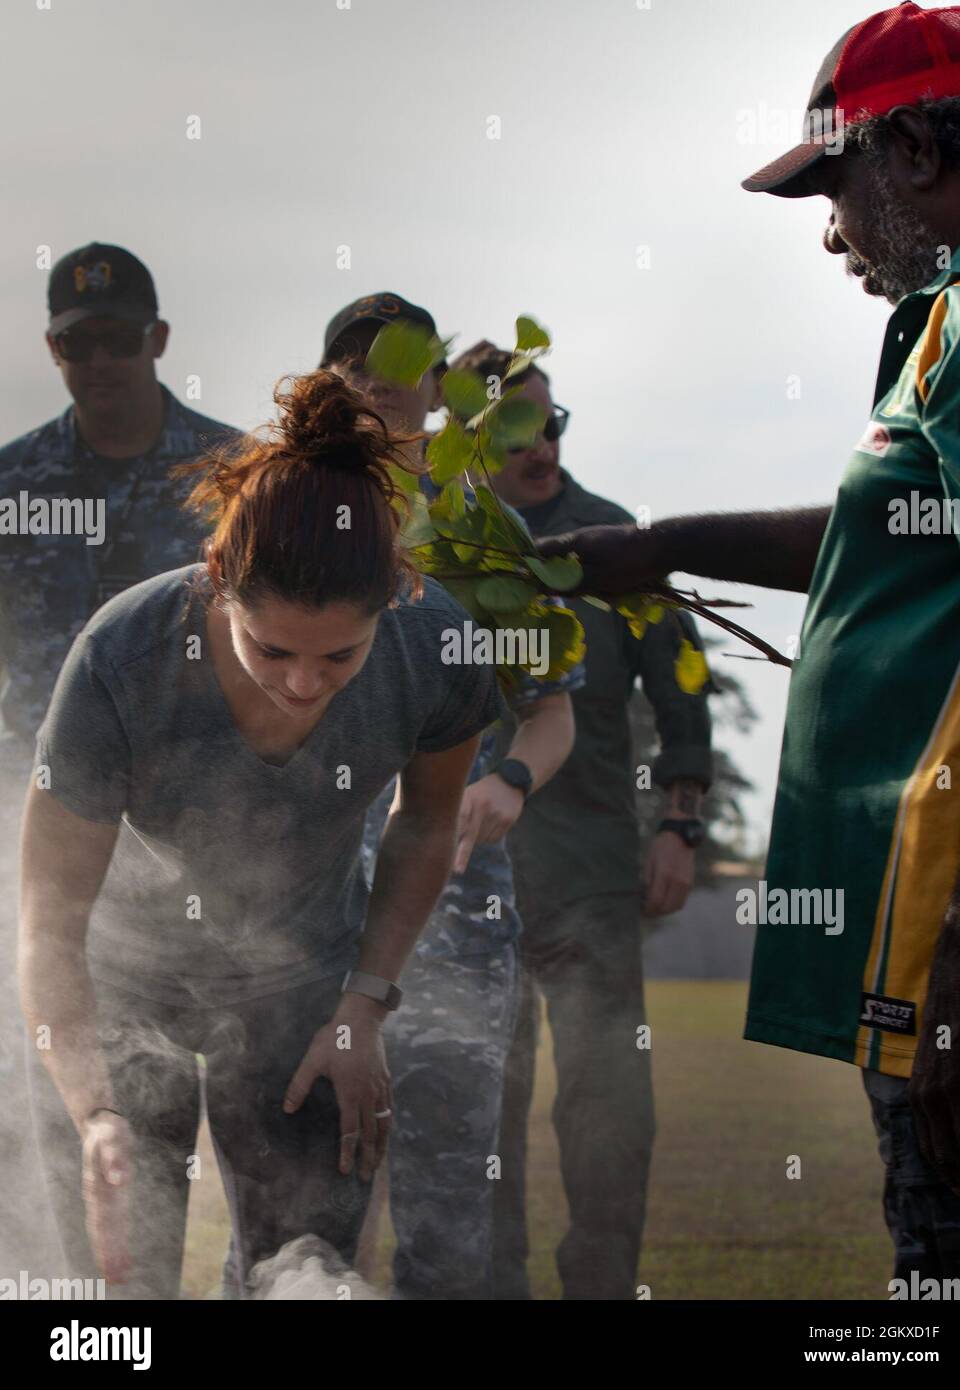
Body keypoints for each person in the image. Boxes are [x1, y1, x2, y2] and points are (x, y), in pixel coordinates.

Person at [536, 2, 960, 1286]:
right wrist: (662, 545)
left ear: (910, 155)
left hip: (951, 936)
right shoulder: (952, 314)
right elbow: (888, 531)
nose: (832, 233)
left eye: (831, 190)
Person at [19, 369, 503, 1299]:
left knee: (308, 1279)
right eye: (272, 649)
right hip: (116, 988)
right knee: (118, 1296)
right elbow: (46, 918)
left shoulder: (436, 647)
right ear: (216, 582)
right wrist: (92, 1113)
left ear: (395, 595)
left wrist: (364, 1006)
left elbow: (429, 817)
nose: (304, 685)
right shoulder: (121, 658)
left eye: (340, 656)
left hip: (306, 988)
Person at [320, 294, 582, 1299]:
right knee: (299, 1214)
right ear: (330, 381)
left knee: (446, 1232)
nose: (391, 391)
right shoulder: (280, 515)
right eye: (366, 371)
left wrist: (512, 777)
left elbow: (548, 713)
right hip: (307, 920)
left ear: (439, 386)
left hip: (455, 918)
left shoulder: (480, 530)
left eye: (411, 371)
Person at [450, 340, 714, 1300]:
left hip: (594, 873)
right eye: (517, 427)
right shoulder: (435, 546)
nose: (542, 444)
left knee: (608, 1107)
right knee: (482, 1110)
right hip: (468, 883)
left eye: (551, 422)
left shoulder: (613, 542)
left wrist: (678, 824)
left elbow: (683, 682)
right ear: (466, 440)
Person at [0, 241, 235, 1278]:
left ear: (159, 341)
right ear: (53, 350)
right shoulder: (10, 486)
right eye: (76, 342)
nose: (98, 359)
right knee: (74, 1124)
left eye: (119, 339)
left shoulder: (231, 480)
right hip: (49, 846)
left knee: (244, 1130)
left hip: (213, 862)